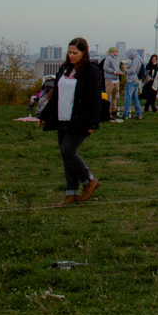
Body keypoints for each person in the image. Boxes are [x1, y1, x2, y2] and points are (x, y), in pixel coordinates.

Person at [40, 37, 109, 204]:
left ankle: (89, 180)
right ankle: (71, 193)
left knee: (68, 151)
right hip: (61, 118)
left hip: (80, 120)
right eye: (69, 52)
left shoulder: (91, 70)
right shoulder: (65, 69)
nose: (71, 56)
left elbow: (95, 99)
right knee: (66, 158)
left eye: (75, 53)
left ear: (84, 52)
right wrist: (43, 116)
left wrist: (93, 123)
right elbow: (55, 95)